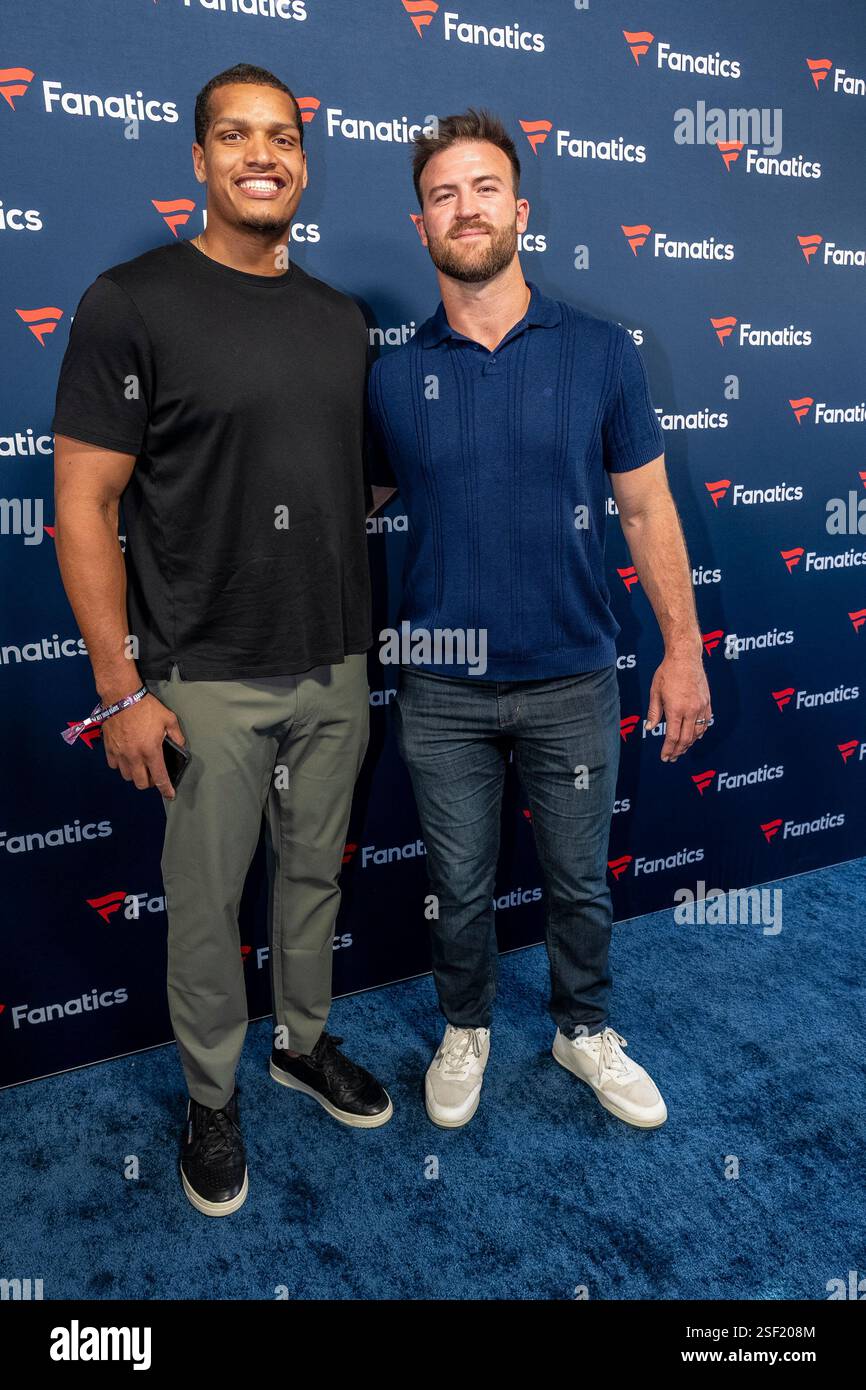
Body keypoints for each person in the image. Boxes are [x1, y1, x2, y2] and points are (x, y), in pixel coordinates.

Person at [52, 64, 392, 1219]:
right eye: (235, 137)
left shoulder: (340, 317)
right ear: (197, 161)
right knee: (204, 910)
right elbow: (83, 504)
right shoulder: (129, 301)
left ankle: (301, 1044)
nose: (263, 154)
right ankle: (211, 1095)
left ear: (303, 160)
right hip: (200, 679)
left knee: (309, 879)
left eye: (283, 137)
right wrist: (118, 688)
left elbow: (359, 482)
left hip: (335, 665)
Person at [365, 108, 712, 1131]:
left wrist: (682, 653)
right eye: (441, 194)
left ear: (519, 209)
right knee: (457, 886)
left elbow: (647, 510)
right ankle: (464, 1024)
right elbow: (354, 508)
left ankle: (581, 1027)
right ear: (418, 224)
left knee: (578, 885)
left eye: (482, 188)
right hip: (440, 686)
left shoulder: (601, 351)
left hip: (571, 676)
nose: (462, 208)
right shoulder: (388, 375)